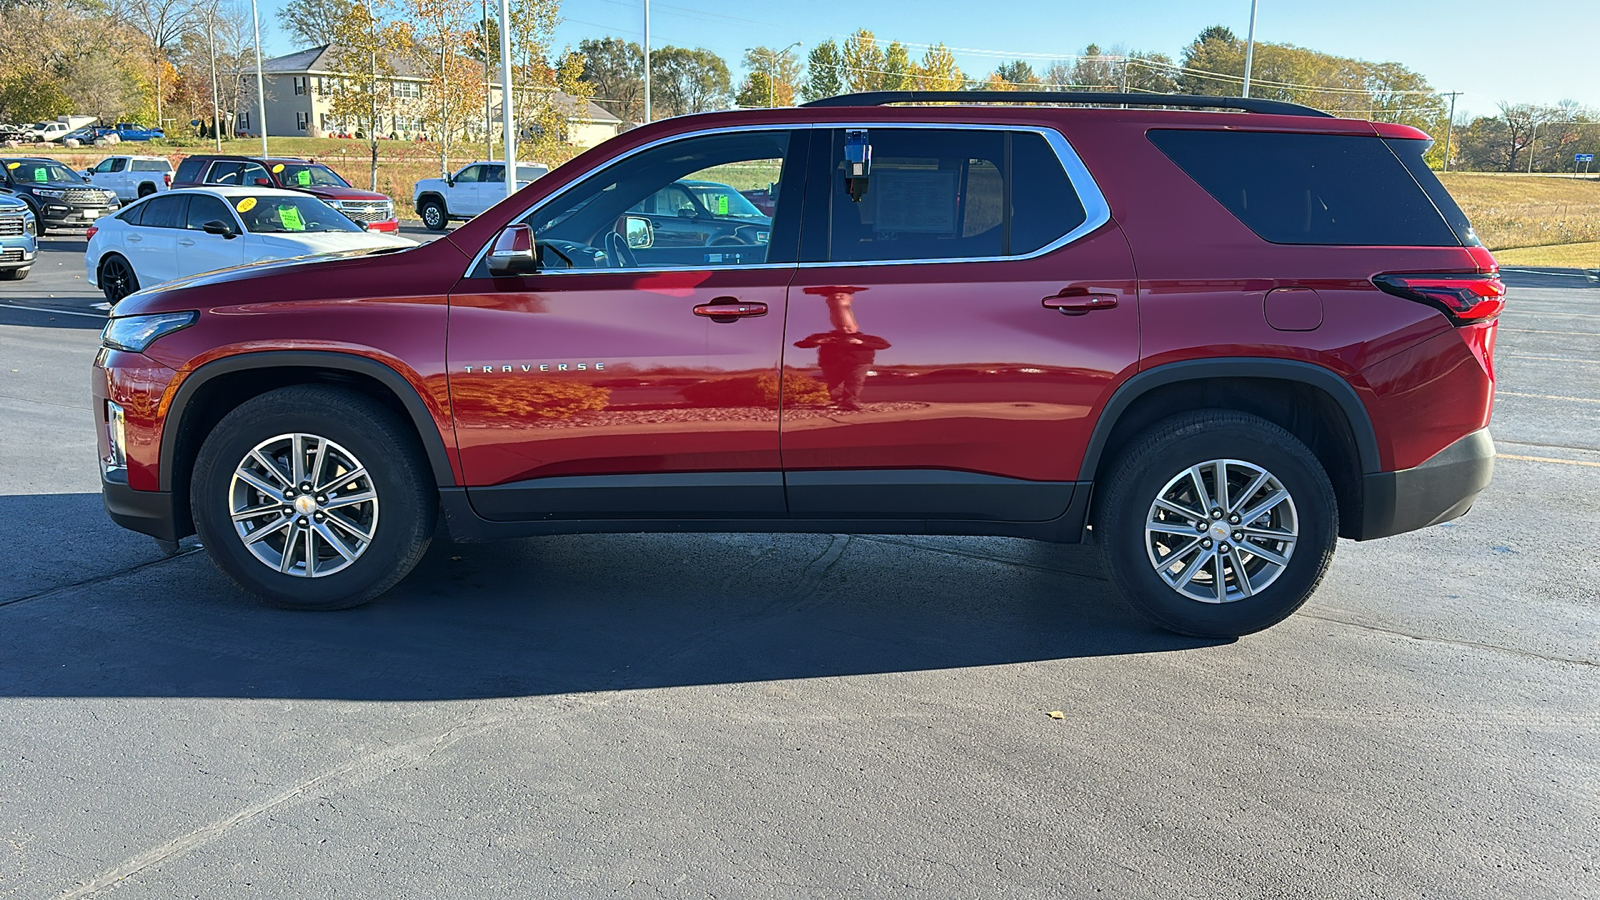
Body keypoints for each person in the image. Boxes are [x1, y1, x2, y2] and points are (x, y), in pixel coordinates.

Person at [793, 285, 889, 411]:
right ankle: (838, 401)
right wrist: (820, 341)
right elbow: (801, 344)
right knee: (834, 384)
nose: (845, 329)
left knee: (854, 382)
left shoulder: (866, 338)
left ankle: (850, 402)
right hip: (831, 362)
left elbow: (884, 345)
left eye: (840, 296)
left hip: (858, 362)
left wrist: (860, 342)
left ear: (856, 326)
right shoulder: (826, 336)